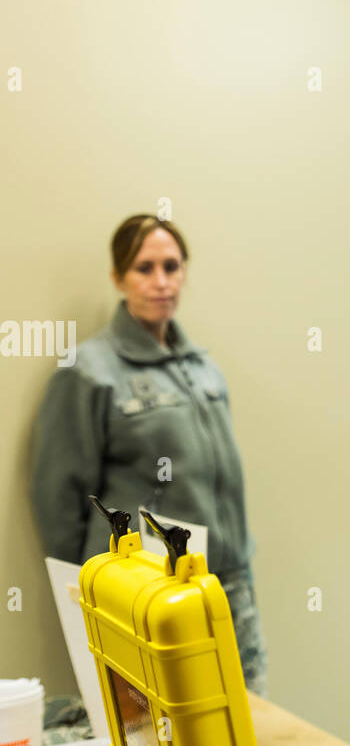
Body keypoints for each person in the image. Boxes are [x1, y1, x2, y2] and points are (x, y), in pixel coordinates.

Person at [30, 214, 267, 694]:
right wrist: (92, 596)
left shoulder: (202, 366)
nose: (160, 282)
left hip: (226, 584)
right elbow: (58, 500)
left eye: (171, 266)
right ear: (118, 277)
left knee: (248, 727)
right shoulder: (89, 371)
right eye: (144, 268)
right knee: (167, 741)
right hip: (152, 595)